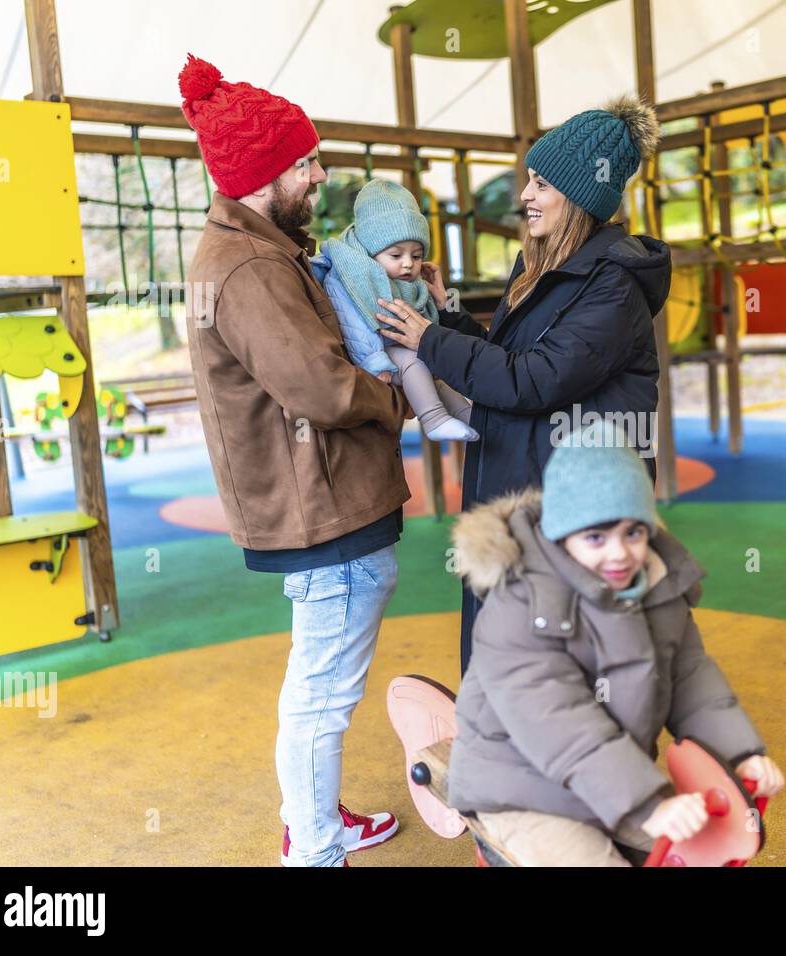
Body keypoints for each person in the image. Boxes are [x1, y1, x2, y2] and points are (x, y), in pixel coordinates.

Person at [179, 53, 407, 867]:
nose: (318, 174)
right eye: (305, 161)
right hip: (321, 509)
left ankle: (314, 821)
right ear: (266, 171)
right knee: (321, 694)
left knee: (320, 685)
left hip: (321, 503)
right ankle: (311, 849)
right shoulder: (246, 265)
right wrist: (399, 400)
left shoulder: (259, 249)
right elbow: (321, 386)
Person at [375, 94, 672, 673]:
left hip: (570, 498)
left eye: (540, 185)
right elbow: (510, 355)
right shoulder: (543, 266)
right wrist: (446, 313)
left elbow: (533, 381)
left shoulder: (613, 284)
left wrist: (429, 342)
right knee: (508, 640)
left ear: (580, 197)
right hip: (521, 483)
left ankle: (584, 758)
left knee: (562, 654)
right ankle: (505, 752)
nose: (526, 197)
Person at [445, 423, 784, 866]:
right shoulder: (521, 605)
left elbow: (691, 680)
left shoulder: (656, 587)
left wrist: (741, 755)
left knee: (701, 851)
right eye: (595, 537)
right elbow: (562, 728)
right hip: (521, 790)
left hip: (610, 779)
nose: (619, 553)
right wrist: (648, 805)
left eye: (633, 532)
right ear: (560, 534)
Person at [311, 179, 478, 443]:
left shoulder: (408, 285)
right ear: (371, 253)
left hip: (400, 347)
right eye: (396, 255)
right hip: (378, 352)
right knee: (415, 363)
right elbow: (352, 324)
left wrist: (444, 305)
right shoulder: (352, 277)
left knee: (436, 378)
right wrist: (376, 361)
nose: (408, 265)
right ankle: (434, 420)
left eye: (417, 255)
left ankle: (472, 418)